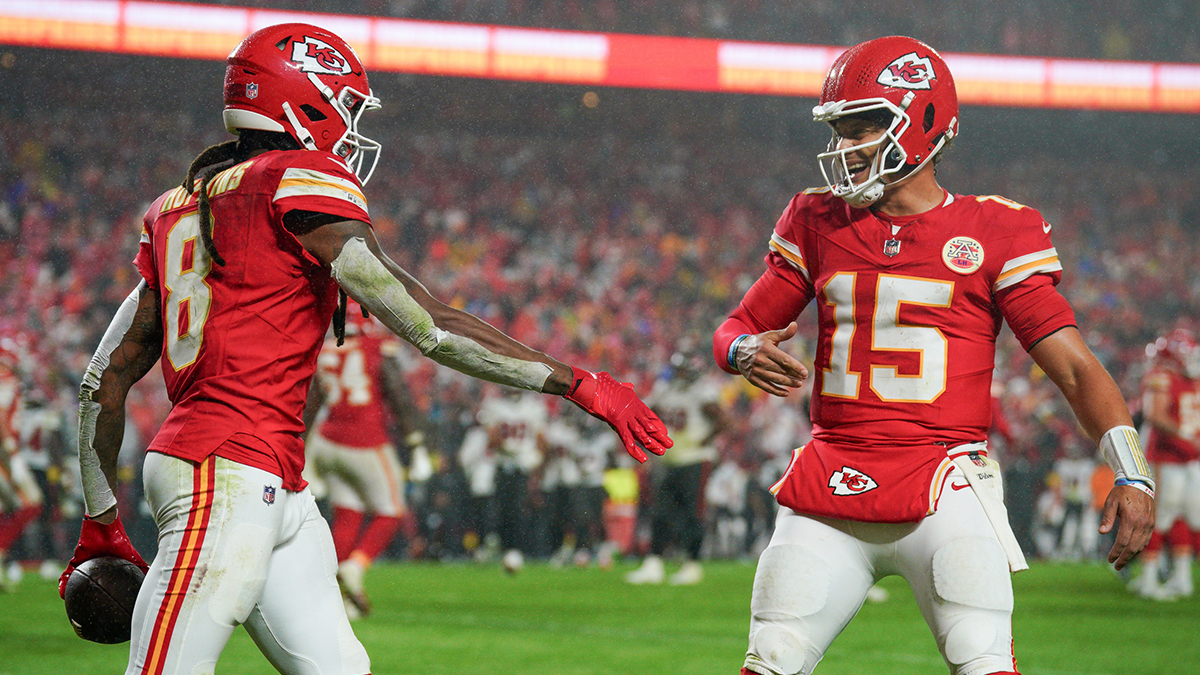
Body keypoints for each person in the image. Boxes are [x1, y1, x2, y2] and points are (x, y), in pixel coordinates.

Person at [59, 23, 671, 675]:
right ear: (304, 102)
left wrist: (100, 519)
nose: (349, 129)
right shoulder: (299, 178)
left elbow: (105, 376)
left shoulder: (179, 205)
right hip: (225, 471)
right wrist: (578, 382)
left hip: (267, 477)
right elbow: (426, 325)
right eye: (344, 107)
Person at [712, 36, 1154, 675]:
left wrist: (1132, 470)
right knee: (770, 661)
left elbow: (1075, 367)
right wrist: (744, 350)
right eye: (841, 130)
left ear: (921, 123)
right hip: (829, 485)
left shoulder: (995, 230)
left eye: (865, 128)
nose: (847, 149)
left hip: (944, 485)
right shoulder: (815, 218)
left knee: (982, 663)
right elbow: (734, 327)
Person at [304, 302, 424, 618]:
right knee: (392, 511)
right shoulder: (374, 347)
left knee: (348, 516)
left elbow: (311, 405)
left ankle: (335, 598)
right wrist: (416, 441)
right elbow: (397, 392)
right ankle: (355, 568)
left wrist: (301, 448)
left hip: (329, 443)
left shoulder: (326, 351)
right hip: (365, 442)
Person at [627, 349, 726, 585]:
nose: (680, 375)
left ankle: (692, 565)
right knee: (660, 512)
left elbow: (723, 420)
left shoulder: (702, 392)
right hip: (669, 458)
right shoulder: (665, 390)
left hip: (695, 458)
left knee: (693, 513)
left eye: (684, 370)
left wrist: (703, 439)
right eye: (677, 370)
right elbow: (646, 412)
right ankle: (654, 563)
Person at [1129, 328, 1200, 599]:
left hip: (1179, 459)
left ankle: (1168, 579)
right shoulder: (1171, 378)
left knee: (1170, 517)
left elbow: (1157, 415)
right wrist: (1188, 437)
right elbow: (1155, 415)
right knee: (1168, 517)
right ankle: (1165, 579)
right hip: (1176, 459)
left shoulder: (1176, 379)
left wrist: (1188, 437)